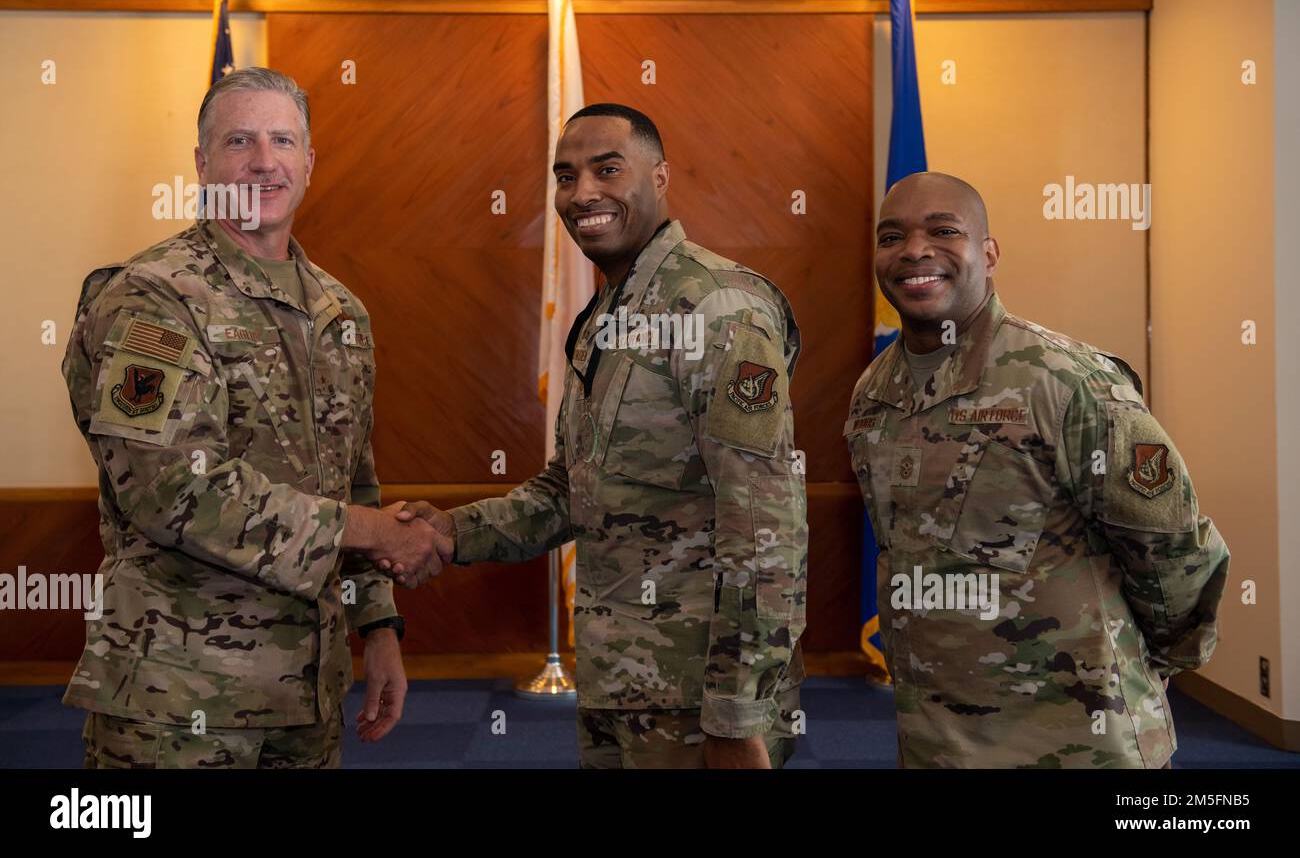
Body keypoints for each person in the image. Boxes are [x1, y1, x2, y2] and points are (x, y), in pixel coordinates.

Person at [61, 67, 451, 768]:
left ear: (308, 162)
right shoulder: (152, 300)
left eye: (282, 140)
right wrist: (367, 529)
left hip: (307, 693)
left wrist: (378, 624)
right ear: (202, 164)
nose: (263, 160)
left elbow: (353, 483)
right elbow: (171, 491)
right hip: (176, 699)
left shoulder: (341, 312)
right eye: (239, 140)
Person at [397, 103, 807, 768]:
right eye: (566, 175)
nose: (583, 192)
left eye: (607, 169)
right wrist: (447, 532)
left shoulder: (717, 307)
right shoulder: (607, 317)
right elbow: (572, 490)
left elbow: (766, 524)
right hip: (621, 687)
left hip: (700, 708)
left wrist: (738, 716)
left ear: (661, 175)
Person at [844, 171, 1229, 768]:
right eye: (892, 237)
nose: (915, 250)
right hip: (934, 735)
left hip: (1074, 737)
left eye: (944, 231)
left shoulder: (1066, 381)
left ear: (989, 253)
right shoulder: (875, 391)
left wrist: (1152, 663)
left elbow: (1174, 550)